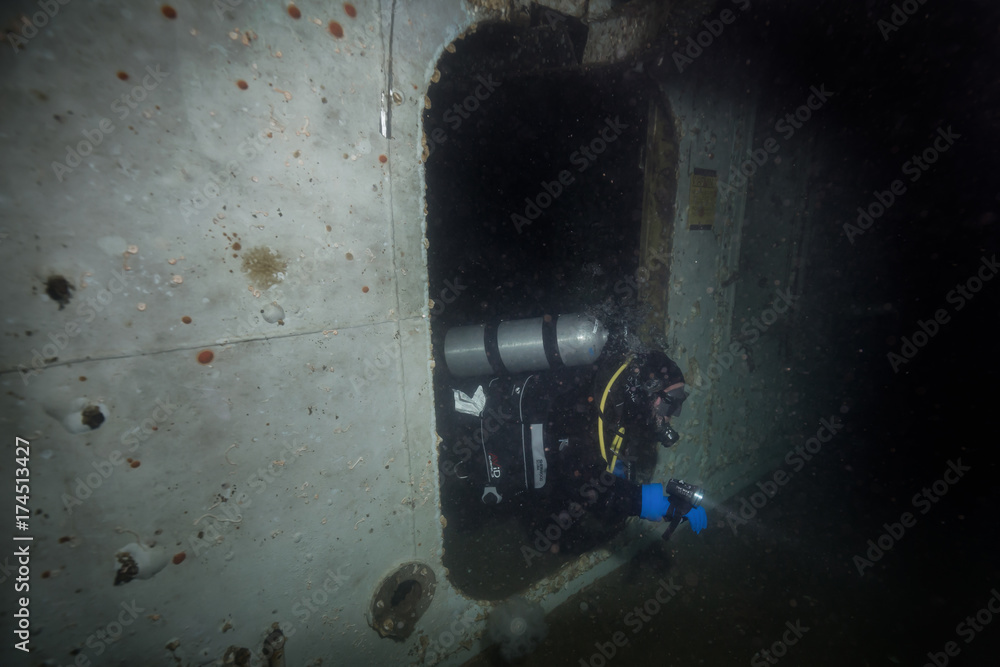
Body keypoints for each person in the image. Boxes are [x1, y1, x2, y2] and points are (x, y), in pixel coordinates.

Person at [449, 348, 707, 551]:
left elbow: (595, 475)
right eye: (671, 405)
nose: (672, 416)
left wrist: (639, 498)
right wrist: (654, 503)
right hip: (460, 442)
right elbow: (586, 484)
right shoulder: (588, 398)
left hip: (480, 475)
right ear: (648, 391)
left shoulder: (614, 412)